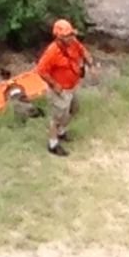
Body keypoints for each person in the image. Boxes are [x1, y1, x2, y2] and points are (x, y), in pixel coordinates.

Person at [35, 19, 95, 156]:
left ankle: (61, 132)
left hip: (71, 87)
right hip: (60, 90)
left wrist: (90, 65)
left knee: (74, 108)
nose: (71, 37)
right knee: (57, 117)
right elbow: (41, 70)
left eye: (71, 34)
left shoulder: (73, 42)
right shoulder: (52, 52)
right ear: (59, 37)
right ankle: (53, 143)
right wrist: (54, 85)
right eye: (67, 35)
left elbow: (83, 51)